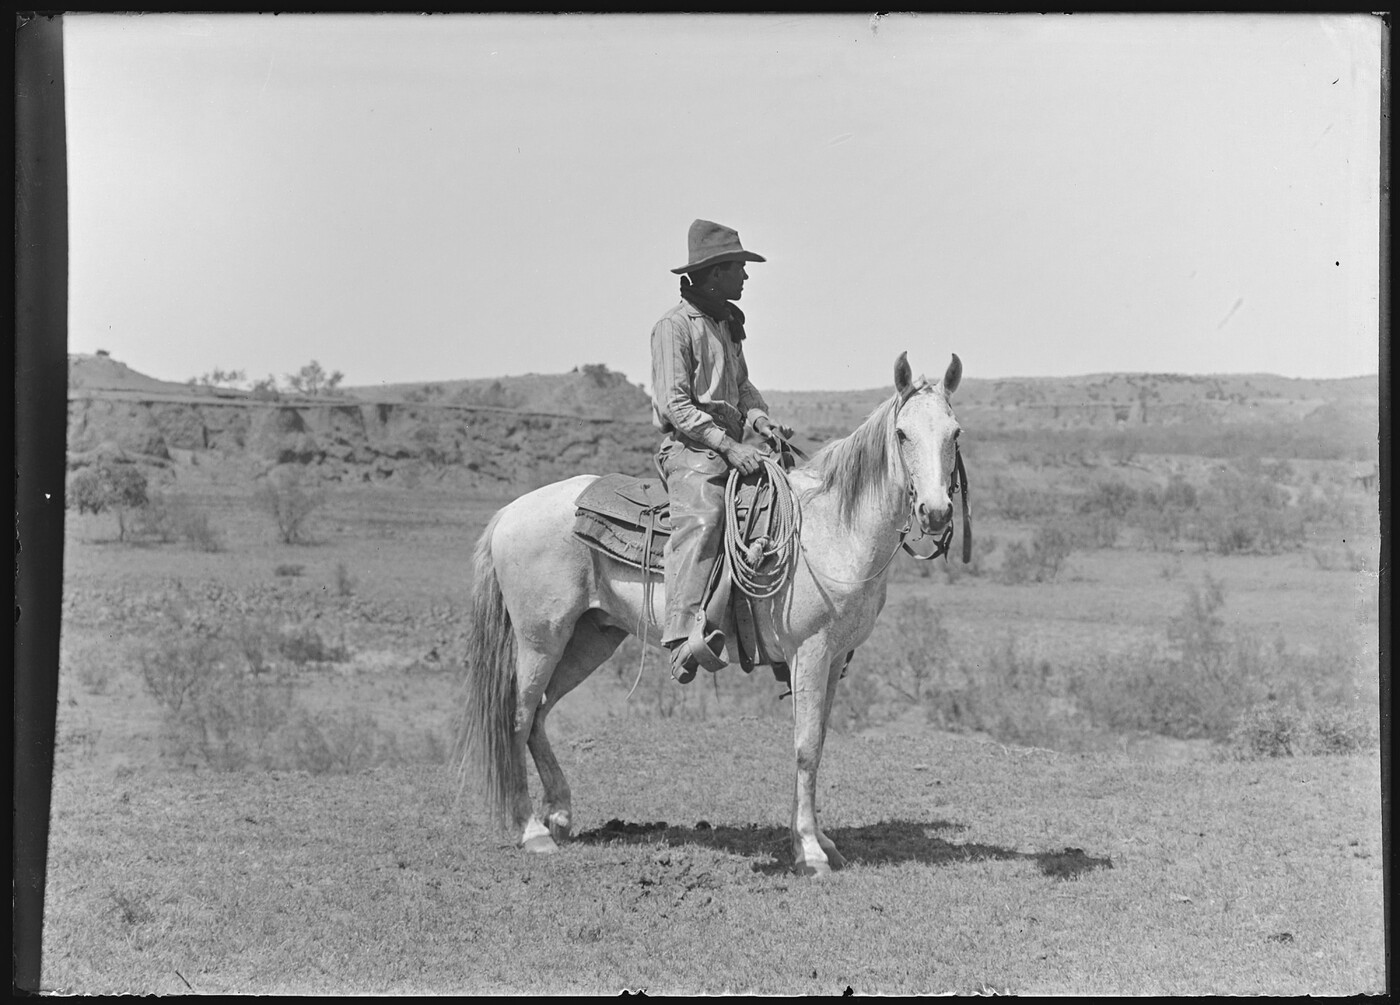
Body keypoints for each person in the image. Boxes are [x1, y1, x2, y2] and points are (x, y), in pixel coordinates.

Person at [650, 219, 792, 684]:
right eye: (740, 268)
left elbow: (743, 386)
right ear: (716, 274)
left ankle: (777, 633)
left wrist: (760, 420)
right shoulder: (674, 328)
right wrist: (730, 446)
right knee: (704, 519)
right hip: (689, 449)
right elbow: (676, 405)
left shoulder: (726, 323)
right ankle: (679, 637)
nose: (746, 278)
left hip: (727, 444)